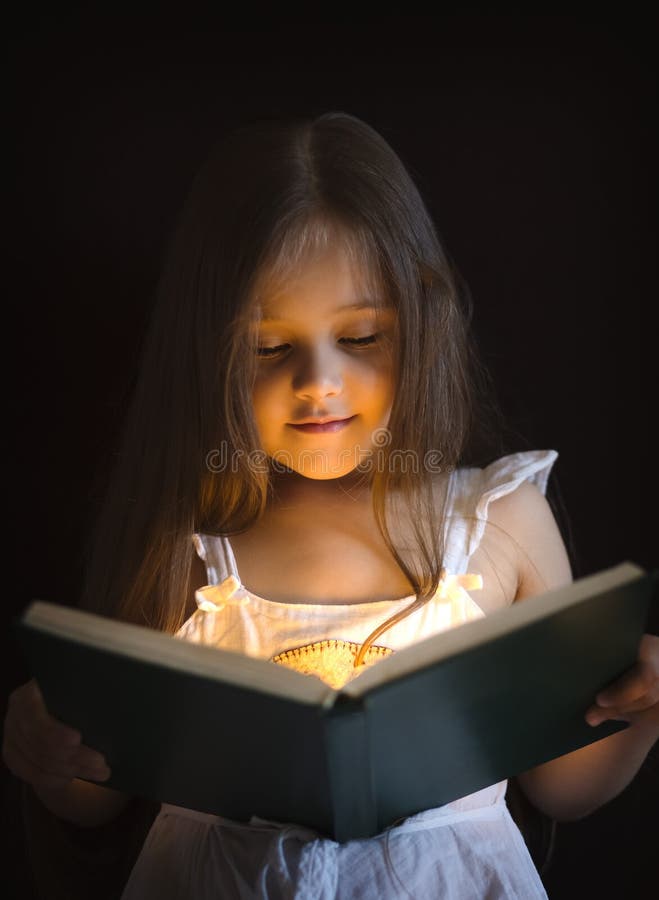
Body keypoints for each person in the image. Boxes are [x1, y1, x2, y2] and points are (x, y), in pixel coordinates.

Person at [4, 111, 659, 900]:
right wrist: (44, 747)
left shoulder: (500, 522)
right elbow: (99, 788)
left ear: (423, 320)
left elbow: (563, 786)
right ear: (203, 349)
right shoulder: (186, 542)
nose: (318, 382)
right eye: (267, 347)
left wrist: (644, 709)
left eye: (359, 336)